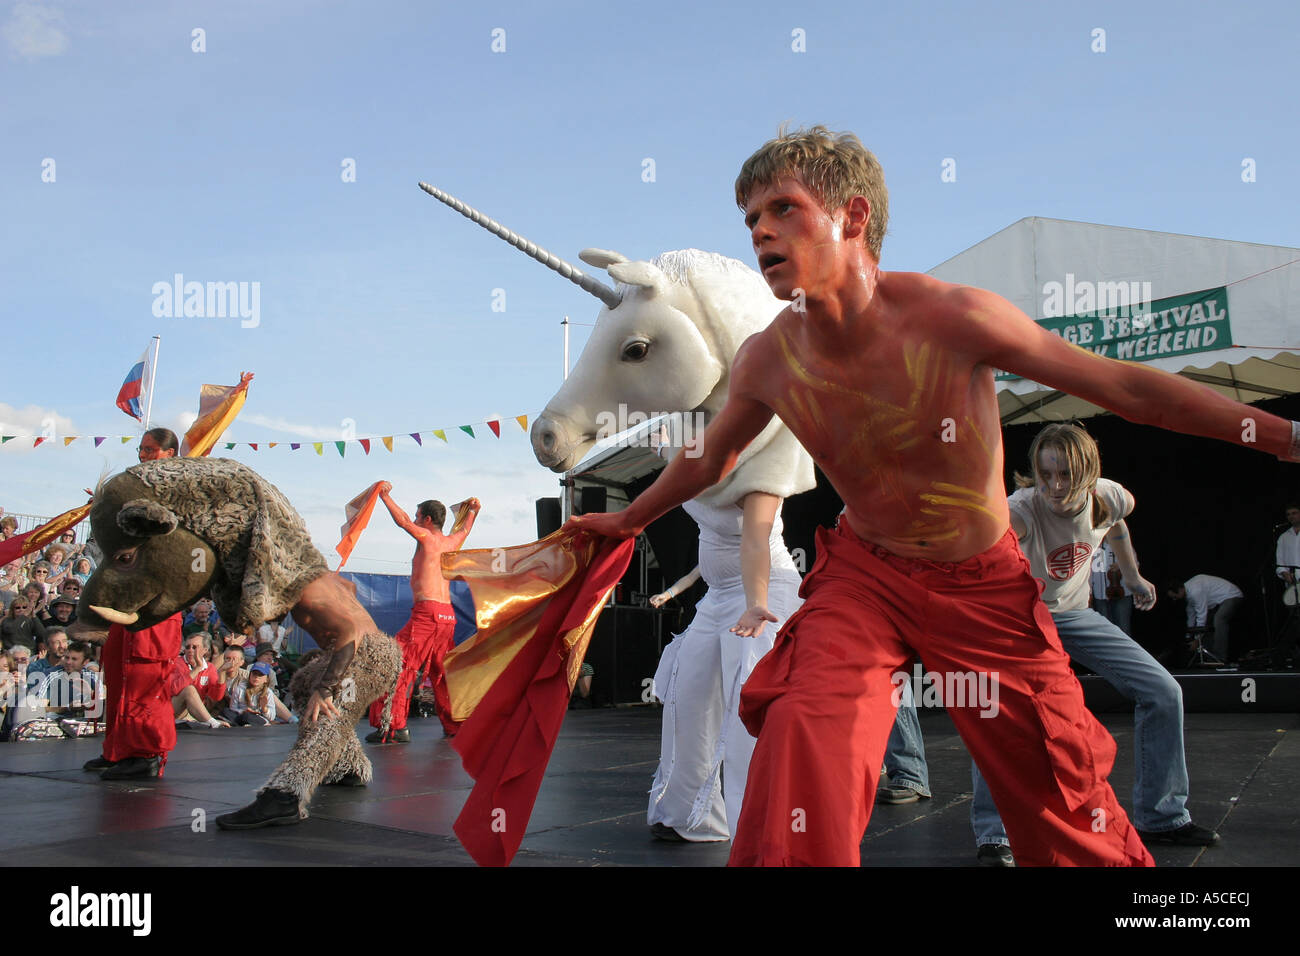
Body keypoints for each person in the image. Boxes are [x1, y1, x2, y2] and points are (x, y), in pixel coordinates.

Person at [569, 126, 1300, 867]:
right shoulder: (769, 359)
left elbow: (1127, 388)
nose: (759, 228)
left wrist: (1284, 438)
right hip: (864, 578)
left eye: (781, 208)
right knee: (802, 730)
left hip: (981, 584)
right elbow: (711, 456)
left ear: (851, 217)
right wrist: (629, 518)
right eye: (749, 216)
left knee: (1061, 789)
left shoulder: (953, 318)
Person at [963, 424, 1218, 865]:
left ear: (1088, 473)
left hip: (1075, 614)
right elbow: (983, 546)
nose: (1055, 486)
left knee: (1163, 692)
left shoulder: (1111, 496)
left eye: (1065, 475)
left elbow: (1115, 526)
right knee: (999, 713)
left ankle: (1163, 816)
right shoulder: (1020, 511)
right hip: (1020, 620)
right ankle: (995, 834)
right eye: (1045, 475)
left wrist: (1133, 576)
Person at [644, 491, 805, 844]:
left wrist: (756, 602)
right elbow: (654, 502)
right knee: (687, 696)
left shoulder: (762, 455)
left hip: (763, 589)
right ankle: (688, 816)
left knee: (747, 711)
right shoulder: (688, 447)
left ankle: (761, 831)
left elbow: (756, 539)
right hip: (716, 595)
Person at [80, 428, 193, 780]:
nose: (143, 455)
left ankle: (146, 752)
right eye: (142, 449)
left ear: (170, 453)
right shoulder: (133, 489)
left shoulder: (180, 493)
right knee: (118, 669)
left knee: (145, 674)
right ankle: (117, 748)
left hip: (157, 599)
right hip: (128, 595)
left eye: (151, 450)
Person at [366, 485, 479, 742]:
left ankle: (392, 727)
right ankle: (455, 726)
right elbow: (465, 529)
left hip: (427, 615)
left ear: (427, 519)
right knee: (441, 673)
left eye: (419, 516)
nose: (415, 519)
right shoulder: (452, 541)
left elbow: (402, 521)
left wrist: (384, 495)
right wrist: (473, 511)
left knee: (397, 666)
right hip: (448, 617)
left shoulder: (427, 538)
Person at [1165, 575, 1244, 664]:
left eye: (1175, 597)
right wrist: (1188, 638)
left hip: (1232, 595)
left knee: (1219, 620)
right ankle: (1209, 657)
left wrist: (1196, 640)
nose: (1175, 599)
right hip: (1218, 603)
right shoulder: (1188, 594)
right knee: (1208, 627)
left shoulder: (1195, 591)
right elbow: (1191, 617)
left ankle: (1220, 657)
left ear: (1180, 590)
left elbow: (1201, 616)